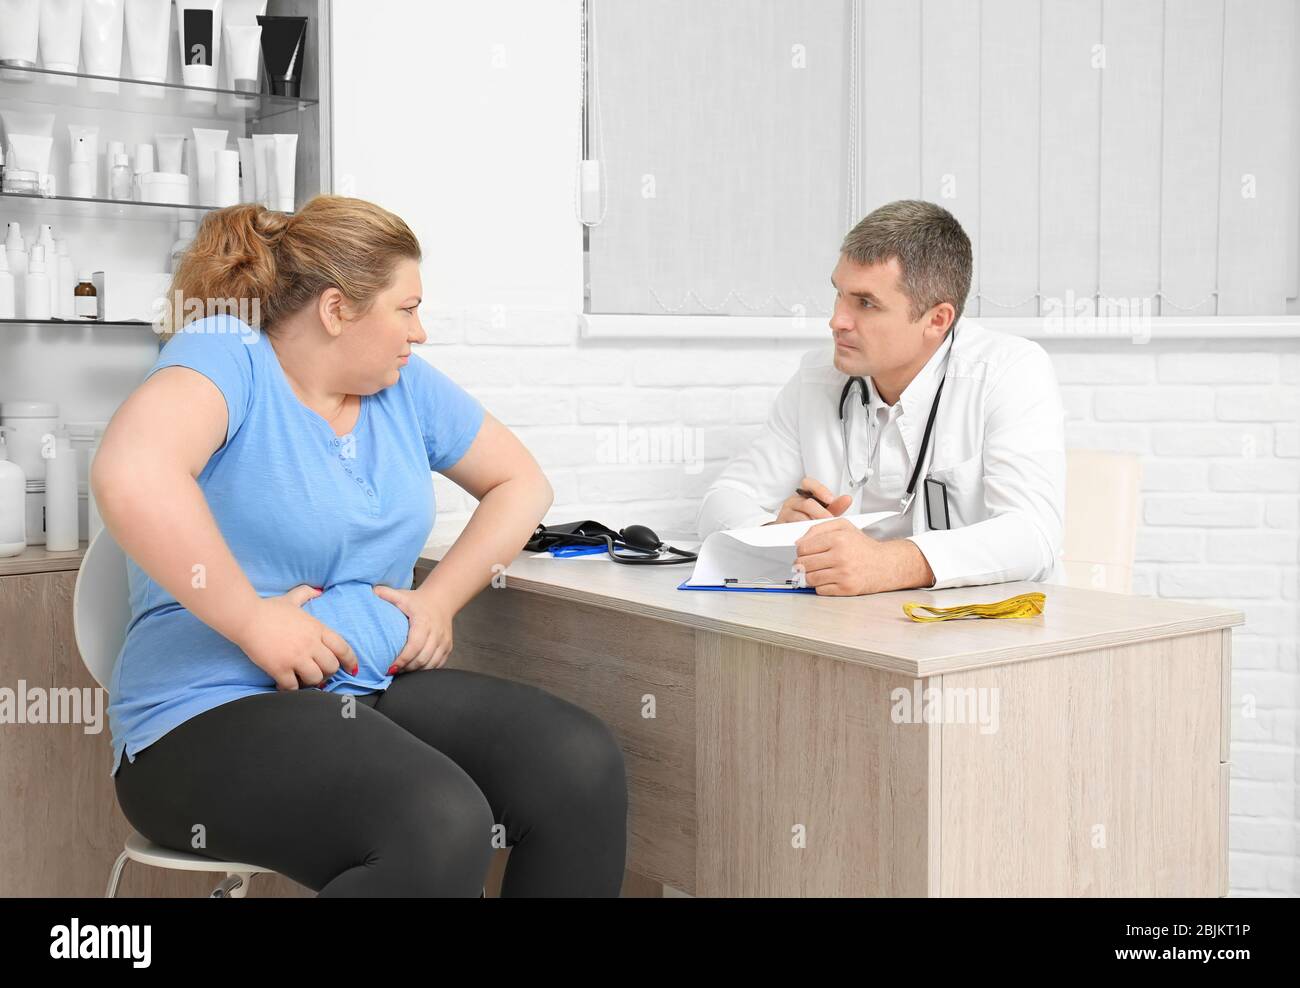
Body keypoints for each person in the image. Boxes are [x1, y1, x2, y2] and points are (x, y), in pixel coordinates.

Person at [93, 196, 628, 896]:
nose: (421, 331)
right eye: (406, 309)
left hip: (365, 685)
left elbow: (521, 483)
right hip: (202, 713)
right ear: (337, 309)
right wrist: (253, 621)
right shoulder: (230, 354)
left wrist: (439, 601)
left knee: (577, 764)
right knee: (438, 821)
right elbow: (132, 471)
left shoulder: (401, 388)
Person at [697, 199, 1067, 595]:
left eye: (866, 303)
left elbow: (1032, 536)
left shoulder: (1009, 372)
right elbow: (721, 501)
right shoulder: (816, 378)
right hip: (852, 627)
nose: (837, 321)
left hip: (982, 636)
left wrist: (889, 564)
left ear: (937, 320)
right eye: (839, 294)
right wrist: (775, 534)